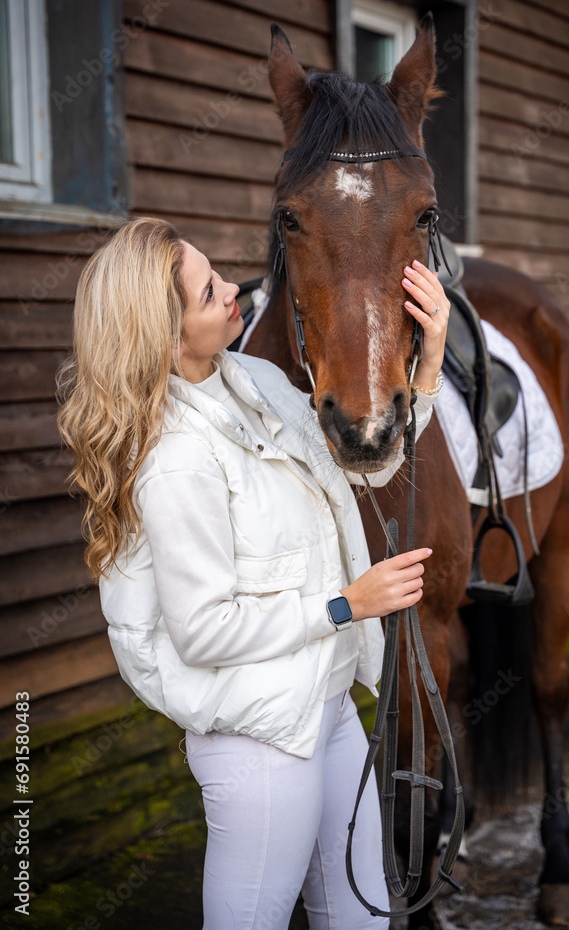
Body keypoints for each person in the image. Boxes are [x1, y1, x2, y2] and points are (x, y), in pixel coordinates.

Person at [56, 216, 450, 929]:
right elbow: (202, 634)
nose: (234, 289)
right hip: (257, 736)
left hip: (325, 706)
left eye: (219, 273)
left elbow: (365, 461)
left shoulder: (255, 379)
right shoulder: (175, 459)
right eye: (210, 293)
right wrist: (346, 605)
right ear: (166, 334)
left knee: (359, 919)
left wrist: (425, 367)